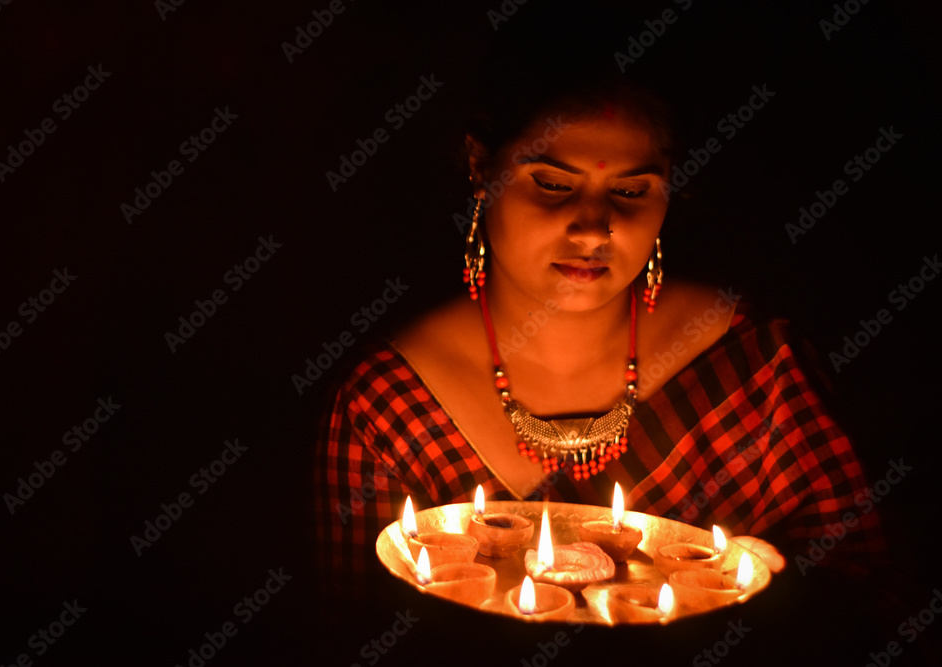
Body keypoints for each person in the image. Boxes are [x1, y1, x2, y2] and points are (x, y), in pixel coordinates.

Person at [314, 8, 886, 608]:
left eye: (631, 192)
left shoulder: (756, 365)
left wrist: (781, 605)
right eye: (553, 184)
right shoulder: (386, 405)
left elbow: (878, 597)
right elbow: (355, 629)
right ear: (481, 164)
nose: (593, 229)